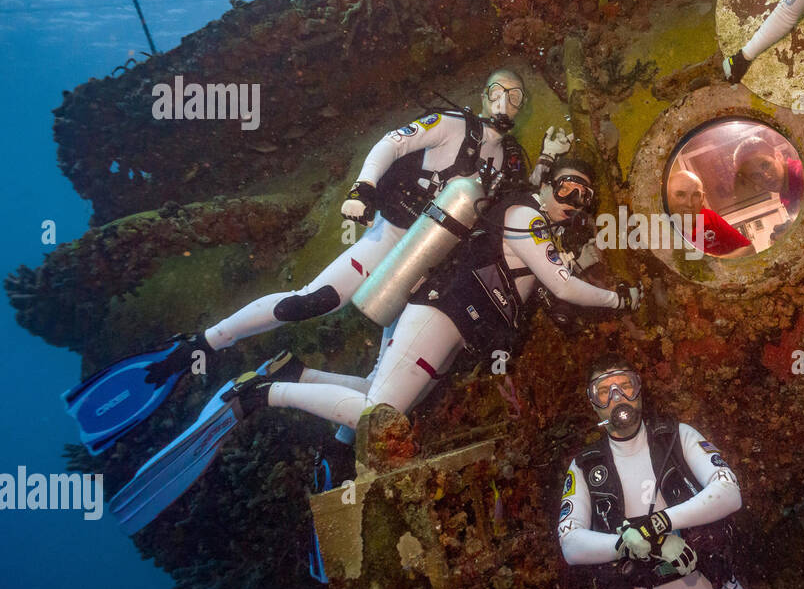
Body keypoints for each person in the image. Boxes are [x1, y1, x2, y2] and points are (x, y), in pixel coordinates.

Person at [108, 157, 641, 535]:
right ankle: (261, 394)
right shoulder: (526, 215)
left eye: (585, 198)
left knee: (373, 392)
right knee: (377, 415)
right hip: (440, 316)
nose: (575, 203)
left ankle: (296, 374)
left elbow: (555, 282)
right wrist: (622, 301)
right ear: (548, 184)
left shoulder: (538, 224)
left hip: (452, 328)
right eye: (569, 189)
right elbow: (565, 286)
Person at [147, 68, 533, 379]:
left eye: (515, 96)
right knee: (314, 301)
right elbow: (392, 143)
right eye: (497, 91)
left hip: (433, 266)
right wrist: (363, 187)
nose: (504, 101)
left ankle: (329, 426)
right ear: (483, 95)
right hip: (392, 236)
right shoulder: (451, 125)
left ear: (521, 107)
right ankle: (206, 342)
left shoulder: (510, 162)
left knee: (388, 376)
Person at [557, 355, 779, 589]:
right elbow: (570, 543)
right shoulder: (583, 466)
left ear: (640, 391)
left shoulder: (678, 435)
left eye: (625, 385)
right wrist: (626, 544)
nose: (617, 397)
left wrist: (657, 524)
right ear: (593, 404)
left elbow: (729, 491)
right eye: (604, 391)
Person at [665, 169, 755, 258]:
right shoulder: (661, 231)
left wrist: (717, 261)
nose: (689, 204)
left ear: (702, 199)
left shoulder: (709, 217)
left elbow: (749, 249)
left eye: (696, 195)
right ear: (668, 198)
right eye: (680, 195)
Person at [732, 135, 804, 215]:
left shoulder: (803, 175)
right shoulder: (784, 191)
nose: (766, 176)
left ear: (778, 156)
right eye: (756, 176)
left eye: (766, 165)